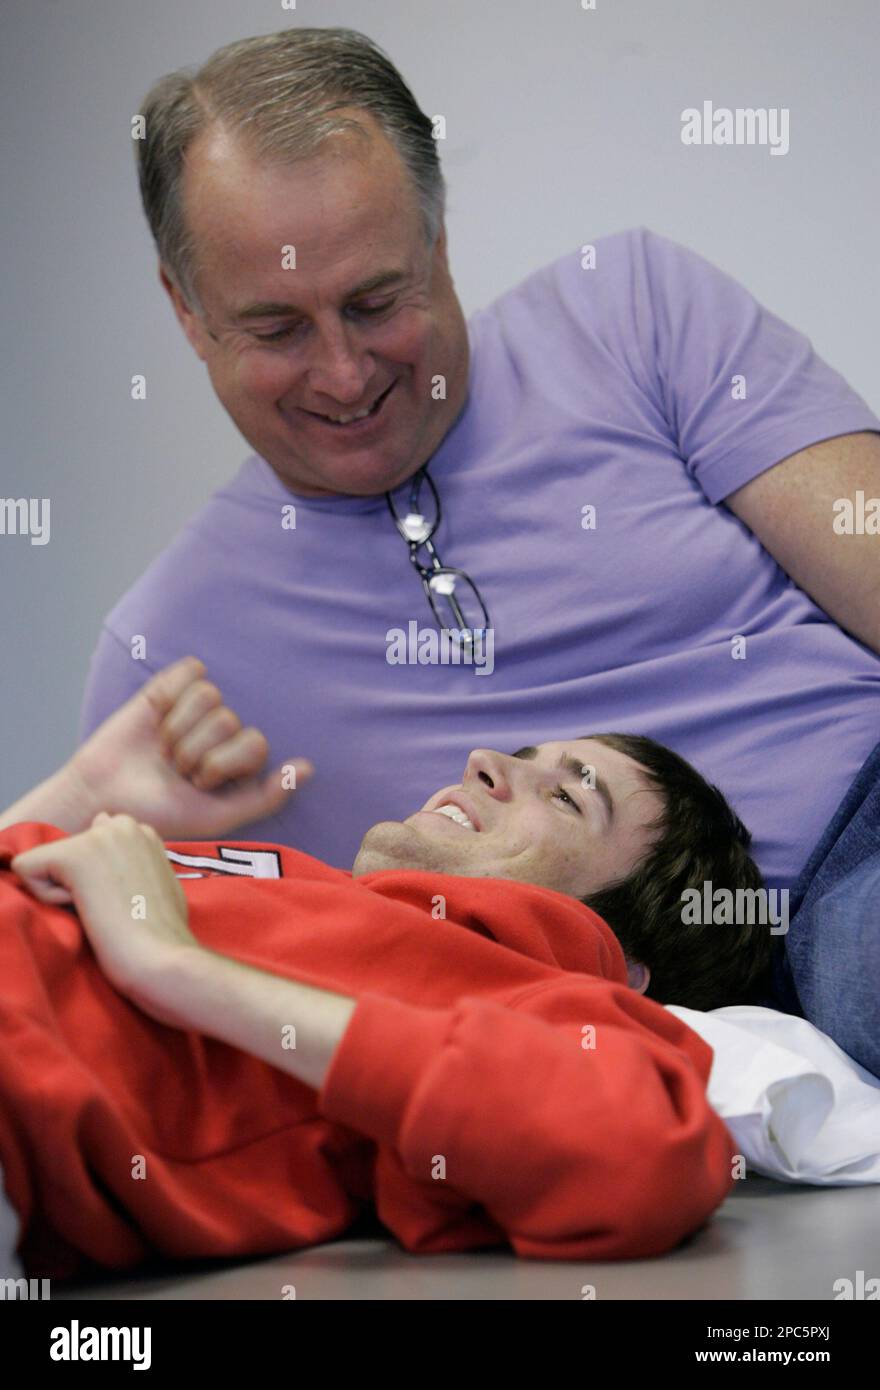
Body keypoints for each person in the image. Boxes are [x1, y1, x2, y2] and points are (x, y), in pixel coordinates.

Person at [78, 32, 880, 1103]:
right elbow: (106, 978)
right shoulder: (165, 661)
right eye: (276, 326)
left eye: (374, 301)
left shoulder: (630, 311)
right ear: (187, 311)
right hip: (638, 1015)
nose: (344, 372)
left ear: (439, 242)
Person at [0, 658, 769, 1278]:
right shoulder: (305, 885)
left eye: (568, 797)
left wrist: (175, 967)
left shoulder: (538, 995)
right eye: (526, 759)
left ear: (624, 966)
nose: (487, 761)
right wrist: (79, 796)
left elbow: (642, 1154)